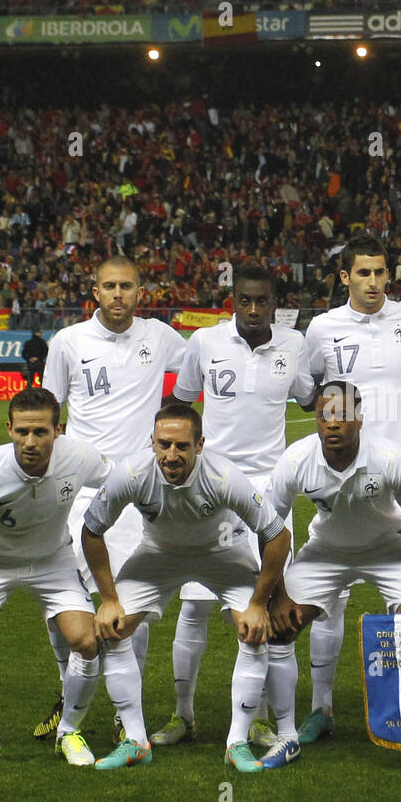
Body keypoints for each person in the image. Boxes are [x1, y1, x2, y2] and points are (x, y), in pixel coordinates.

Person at [155, 264, 316, 750]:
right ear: (232, 302)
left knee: (264, 601)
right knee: (195, 603)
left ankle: (262, 719)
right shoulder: (204, 344)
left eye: (261, 301)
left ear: (274, 304)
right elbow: (179, 406)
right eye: (243, 300)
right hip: (210, 485)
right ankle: (183, 716)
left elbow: (311, 399)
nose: (251, 309)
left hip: (270, 489)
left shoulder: (294, 346)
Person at [81, 404, 292, 770]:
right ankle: (136, 740)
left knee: (254, 630)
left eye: (181, 446)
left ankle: (236, 743)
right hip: (158, 554)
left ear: (199, 445)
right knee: (112, 628)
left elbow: (277, 535)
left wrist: (259, 602)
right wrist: (109, 599)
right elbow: (91, 530)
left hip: (223, 552)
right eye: (163, 445)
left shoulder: (224, 476)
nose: (171, 455)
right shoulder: (131, 474)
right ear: (152, 443)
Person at [36, 255, 187, 741]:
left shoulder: (161, 338)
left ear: (140, 292)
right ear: (94, 291)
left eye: (127, 286)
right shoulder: (68, 342)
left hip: (137, 497)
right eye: (109, 286)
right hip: (77, 493)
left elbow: (200, 370)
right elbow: (49, 416)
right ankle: (67, 694)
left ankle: (128, 715)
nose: (118, 294)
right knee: (62, 607)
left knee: (130, 608)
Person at [262, 382, 401, 769]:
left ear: (359, 418)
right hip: (326, 552)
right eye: (325, 414)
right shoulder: (296, 460)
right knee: (279, 627)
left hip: (389, 549)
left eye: (342, 414)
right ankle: (288, 734)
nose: (332, 424)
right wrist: (278, 595)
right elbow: (270, 526)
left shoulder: (390, 458)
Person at [297, 235, 401, 743]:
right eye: (363, 273)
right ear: (345, 276)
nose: (374, 282)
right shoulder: (323, 327)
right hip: (343, 479)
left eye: (380, 272)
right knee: (330, 598)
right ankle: (321, 709)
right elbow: (310, 392)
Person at [0, 387, 110, 770]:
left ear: (58, 430)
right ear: (8, 429)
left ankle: (69, 731)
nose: (30, 442)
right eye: (21, 432)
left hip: (53, 560)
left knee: (86, 641)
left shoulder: (80, 457)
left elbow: (117, 482)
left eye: (40, 432)